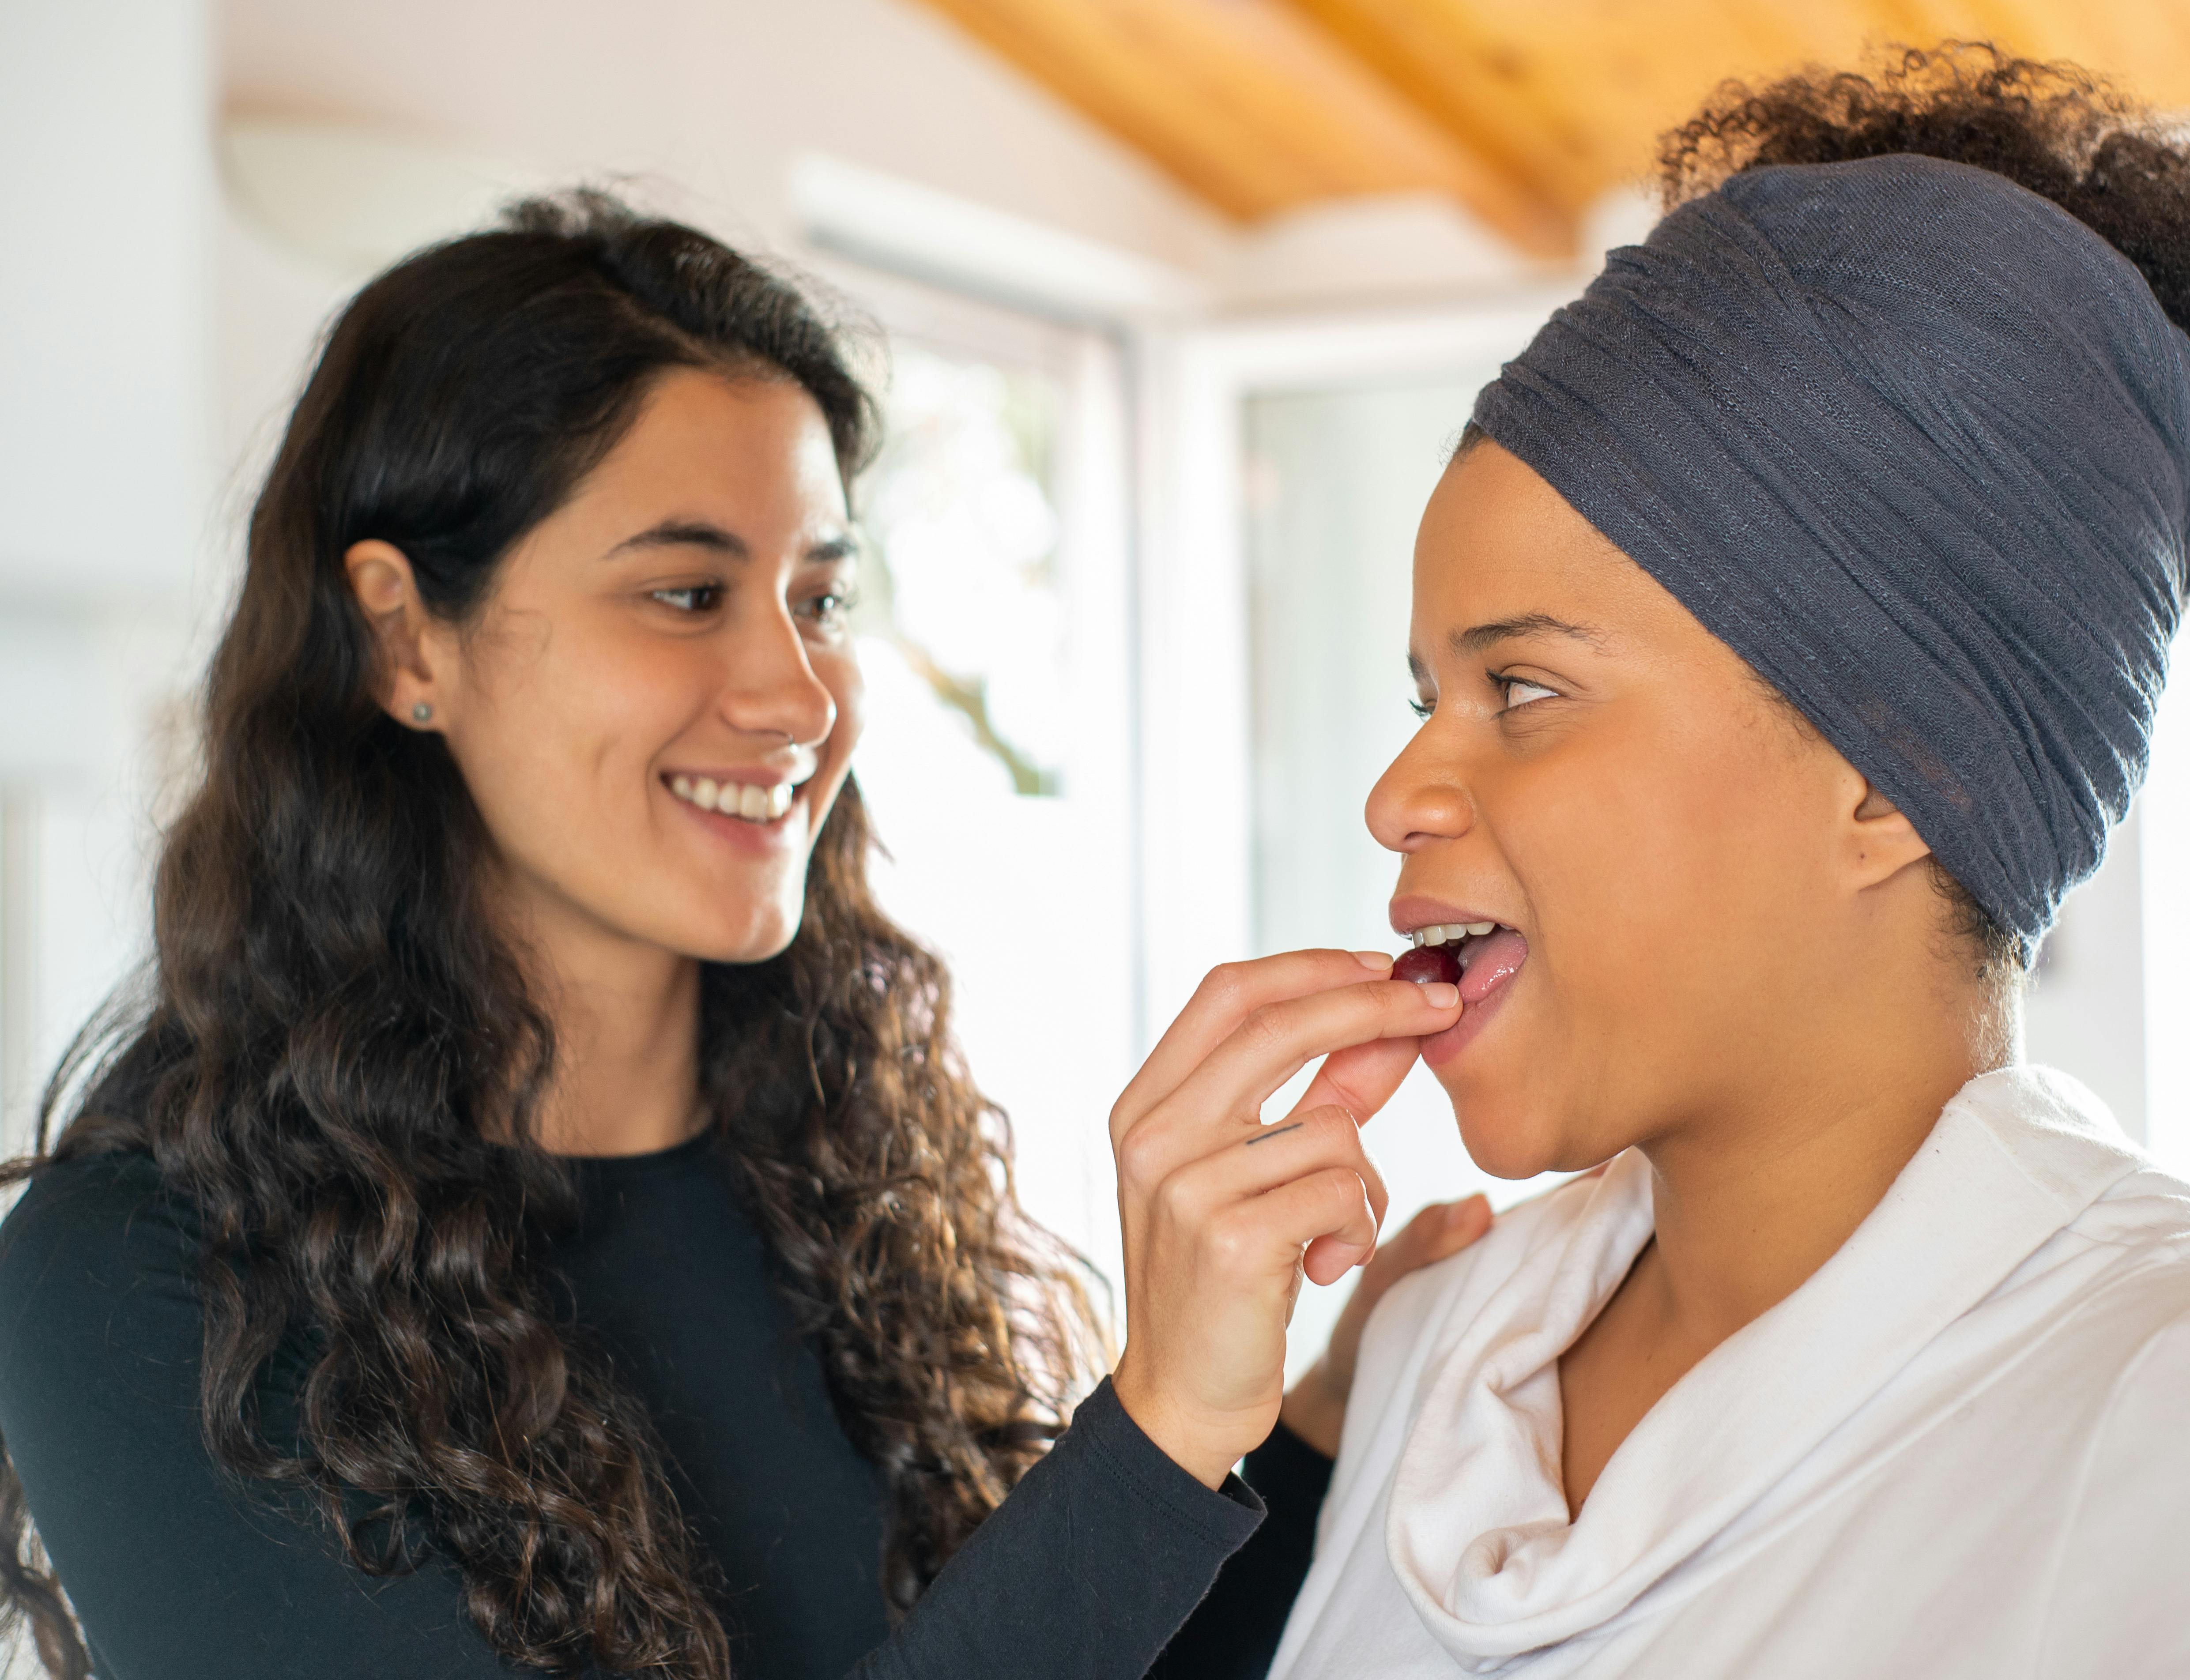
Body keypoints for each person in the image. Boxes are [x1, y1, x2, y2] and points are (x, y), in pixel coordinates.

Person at [0, 192, 1488, 1680]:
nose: (797, 692)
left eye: (821, 597)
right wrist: (1158, 1427)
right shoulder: (145, 1280)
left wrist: (1300, 1431)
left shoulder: (844, 1182)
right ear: (404, 641)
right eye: (688, 592)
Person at [1268, 45, 2190, 1680]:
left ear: (1889, 777)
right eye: (1426, 694)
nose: (1397, 793)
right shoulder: (1417, 1356)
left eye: (1526, 690)